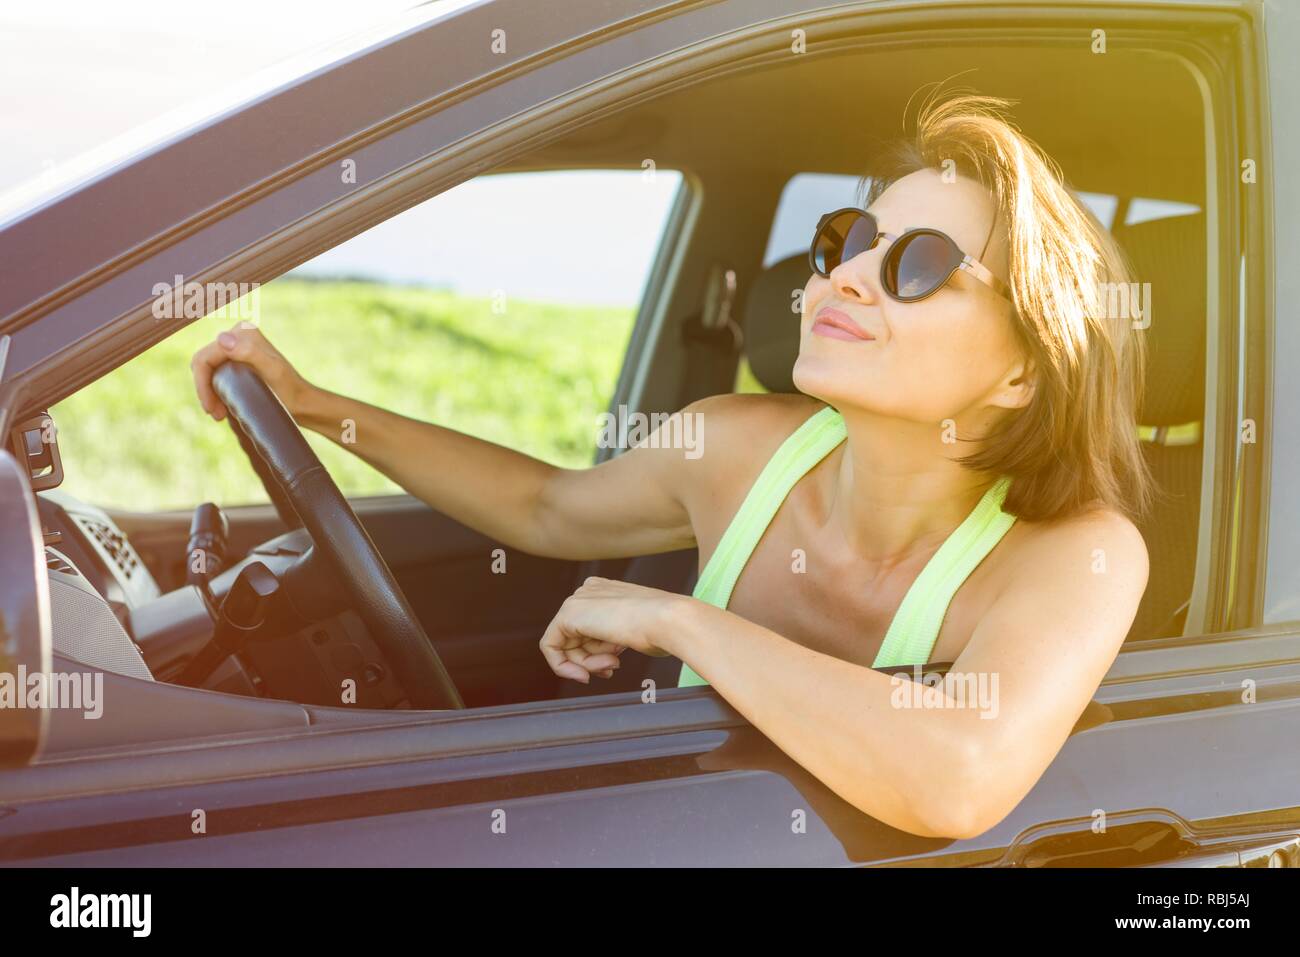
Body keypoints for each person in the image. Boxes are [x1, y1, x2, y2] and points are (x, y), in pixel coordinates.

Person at [192, 90, 1151, 839]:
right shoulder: (738, 445)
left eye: (920, 264)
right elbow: (546, 508)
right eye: (848, 240)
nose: (846, 275)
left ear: (1027, 367)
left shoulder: (1077, 555)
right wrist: (317, 406)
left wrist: (682, 621)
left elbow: (958, 777)